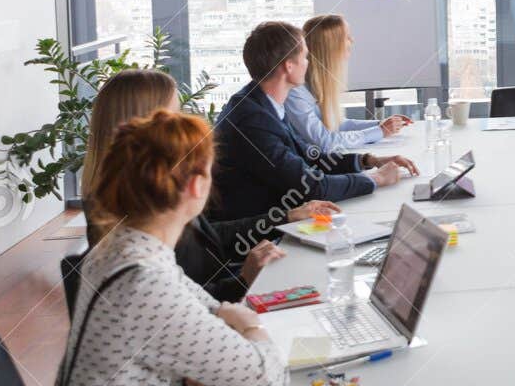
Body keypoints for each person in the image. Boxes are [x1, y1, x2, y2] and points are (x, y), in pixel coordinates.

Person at [42, 110, 290, 386]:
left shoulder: (123, 247)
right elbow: (268, 375)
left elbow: (210, 314)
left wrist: (232, 323)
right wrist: (251, 325)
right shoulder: (144, 281)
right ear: (195, 186)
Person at [80, 68, 339, 301]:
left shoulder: (153, 186)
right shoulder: (129, 213)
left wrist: (286, 217)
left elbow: (209, 237)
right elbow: (175, 304)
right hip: (213, 311)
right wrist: (243, 280)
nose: (182, 122)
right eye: (174, 114)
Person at [212, 21, 415, 221]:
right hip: (260, 231)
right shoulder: (253, 120)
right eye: (305, 57)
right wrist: (376, 178)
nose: (309, 63)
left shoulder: (264, 103)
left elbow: (309, 157)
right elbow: (310, 185)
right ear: (289, 66)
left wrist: (369, 161)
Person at [286, 13, 412, 156]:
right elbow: (324, 142)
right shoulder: (295, 91)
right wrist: (380, 131)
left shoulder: (316, 83)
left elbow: (338, 124)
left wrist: (381, 124)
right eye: (347, 37)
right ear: (332, 46)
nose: (352, 40)